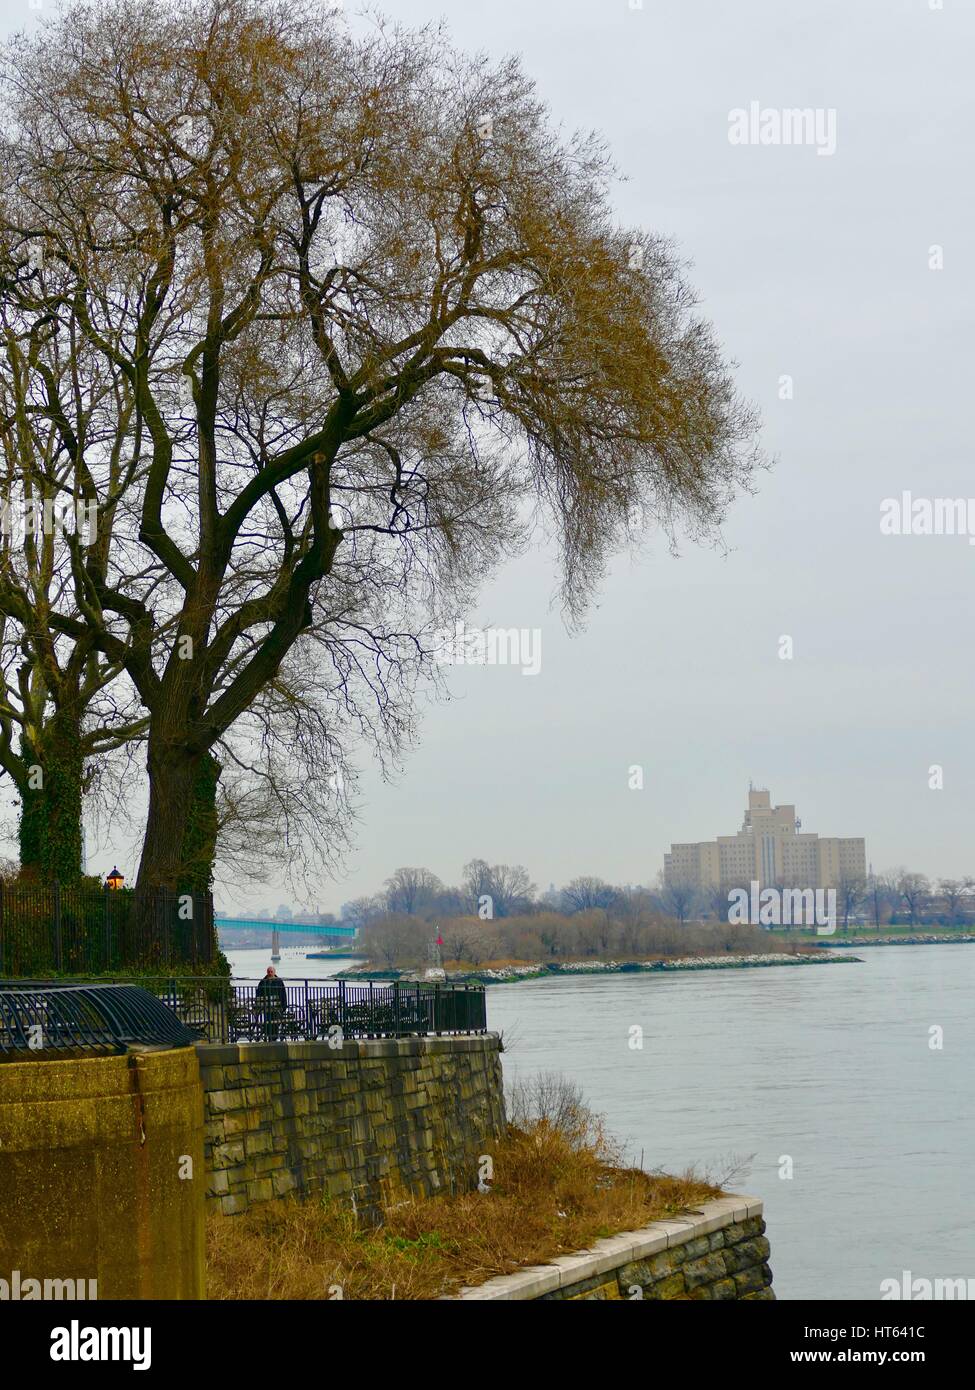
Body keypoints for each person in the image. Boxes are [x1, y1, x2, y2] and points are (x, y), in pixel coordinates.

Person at [255, 966, 287, 1040]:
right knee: (268, 1021)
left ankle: (273, 1037)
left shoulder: (279, 981)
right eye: (268, 972)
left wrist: (284, 1006)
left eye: (271, 972)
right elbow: (259, 994)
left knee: (275, 1022)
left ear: (274, 972)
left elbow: (283, 994)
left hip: (277, 1007)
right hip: (266, 1007)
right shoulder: (263, 981)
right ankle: (269, 1035)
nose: (270, 973)